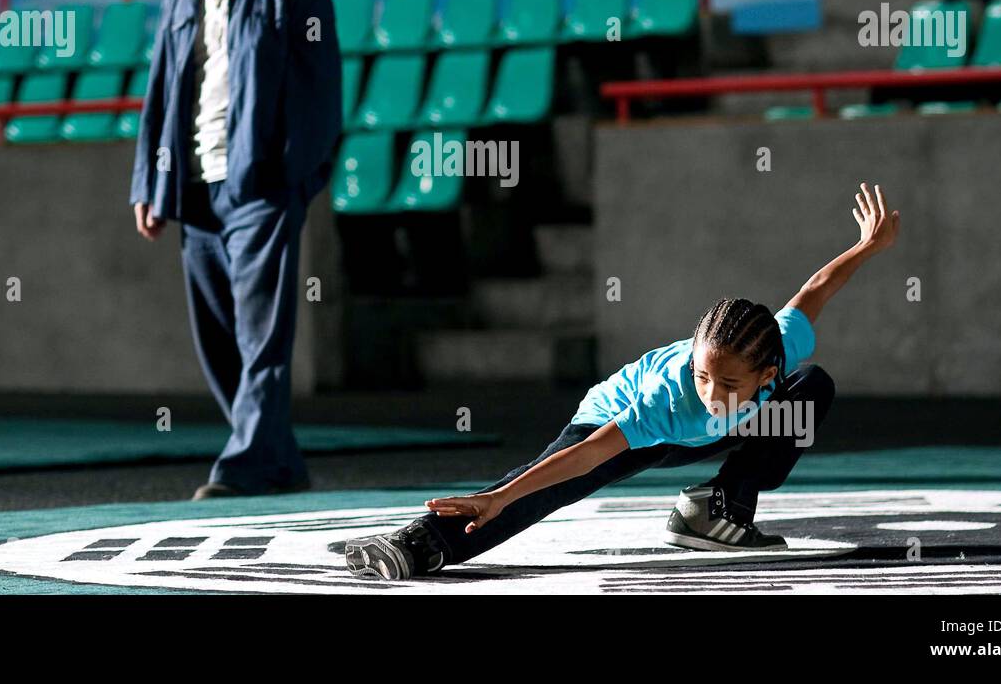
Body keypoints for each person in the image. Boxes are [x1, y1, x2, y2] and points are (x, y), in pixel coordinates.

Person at [346, 183, 900, 579]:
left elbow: (816, 288)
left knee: (815, 387)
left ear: (766, 371)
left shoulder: (782, 347)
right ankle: (417, 546)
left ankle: (718, 506)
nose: (710, 392)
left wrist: (865, 247)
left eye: (728, 381)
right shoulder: (670, 398)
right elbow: (584, 456)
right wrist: (499, 496)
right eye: (703, 375)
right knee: (541, 491)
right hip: (614, 423)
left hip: (705, 435)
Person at [129, 0, 341, 500]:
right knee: (219, 340)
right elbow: (162, 91)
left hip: (261, 192)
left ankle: (242, 466)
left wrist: (291, 186)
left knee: (263, 338)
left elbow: (320, 98)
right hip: (194, 192)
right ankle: (278, 462)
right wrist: (150, 182)